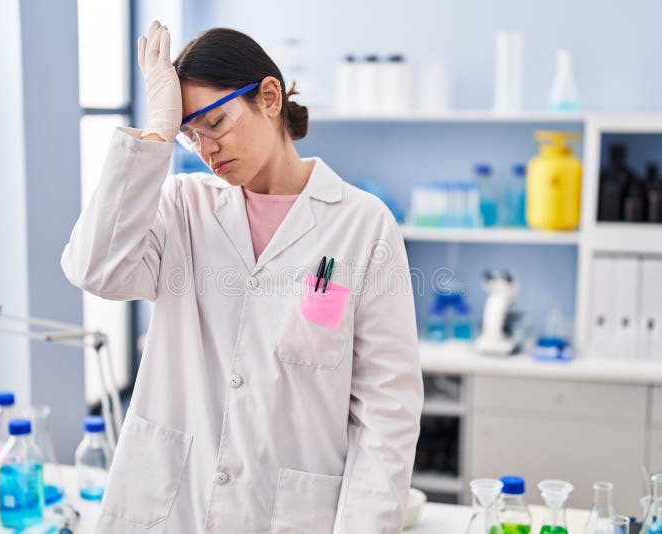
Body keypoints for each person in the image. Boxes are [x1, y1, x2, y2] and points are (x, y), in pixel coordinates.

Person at [61, 20, 423, 533]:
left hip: (288, 513)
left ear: (269, 97)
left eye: (216, 122)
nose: (206, 149)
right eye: (191, 134)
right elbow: (96, 270)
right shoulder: (182, 206)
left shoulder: (362, 224)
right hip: (171, 506)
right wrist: (157, 136)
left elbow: (387, 411)